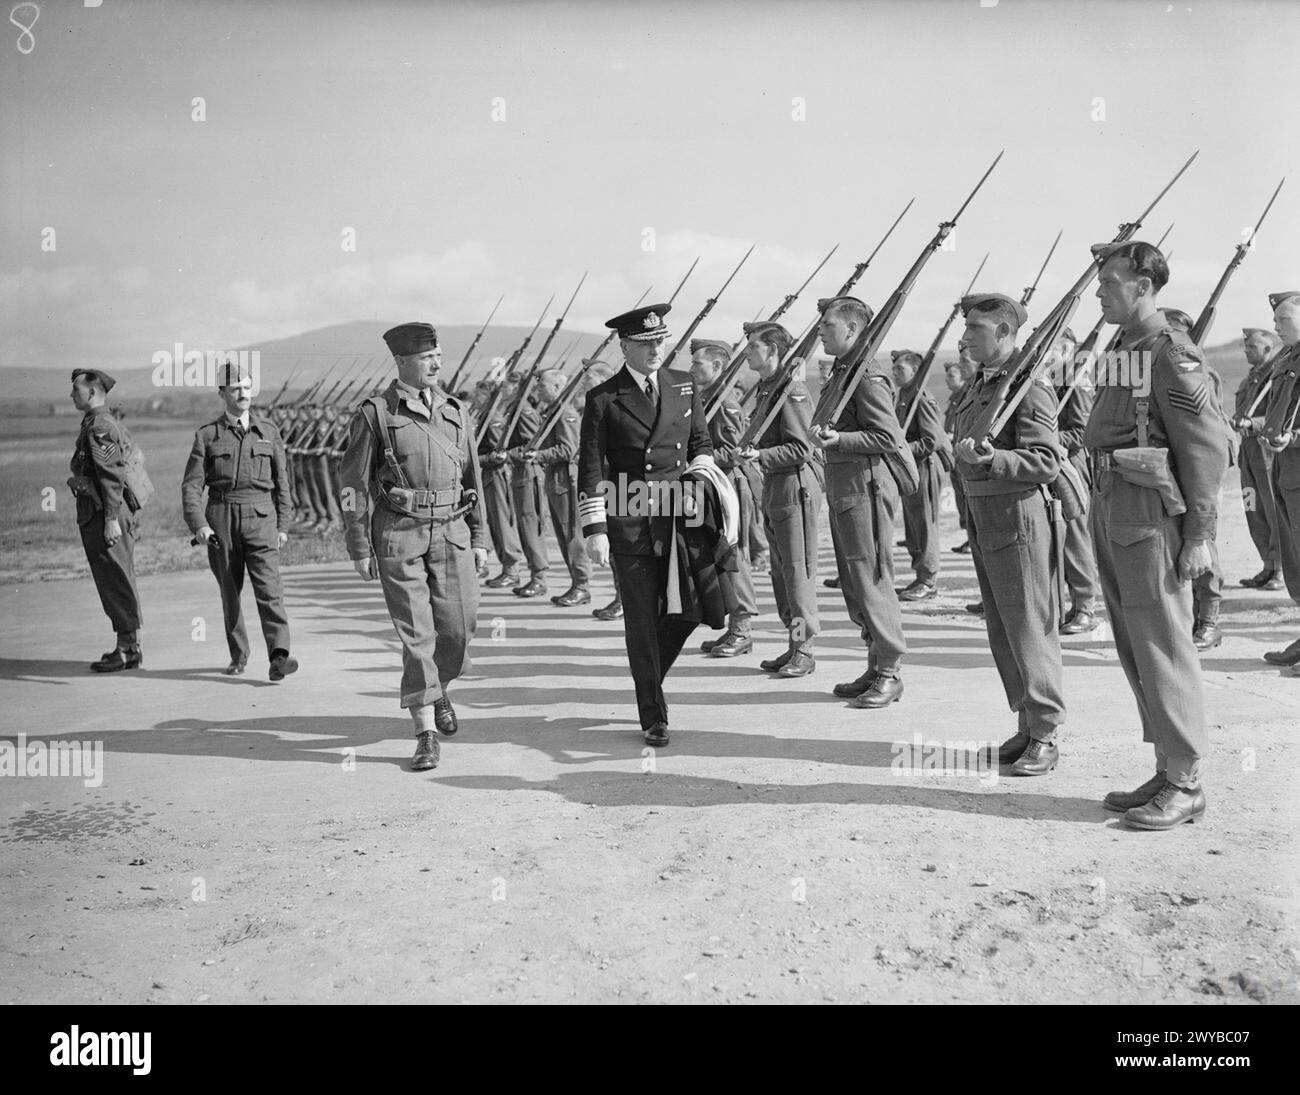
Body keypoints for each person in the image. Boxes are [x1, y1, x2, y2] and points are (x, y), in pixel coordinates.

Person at [1083, 241, 1229, 828]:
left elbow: (1206, 447)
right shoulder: (1124, 346)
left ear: (1144, 285)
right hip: (1114, 505)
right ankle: (1168, 764)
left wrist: (1201, 534)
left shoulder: (1172, 353)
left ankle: (1187, 781)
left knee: (1165, 645)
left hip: (1149, 516)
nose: (1100, 292)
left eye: (1110, 282)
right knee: (1136, 645)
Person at [338, 322, 489, 771]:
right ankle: (424, 731)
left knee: (459, 629)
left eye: (438, 355)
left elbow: (472, 479)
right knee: (417, 634)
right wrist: (358, 545)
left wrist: (479, 536)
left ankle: (440, 688)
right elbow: (352, 485)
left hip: (453, 529)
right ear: (402, 361)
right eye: (427, 357)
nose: (436, 363)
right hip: (399, 533)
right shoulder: (375, 414)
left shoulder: (457, 410)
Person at [578, 303, 712, 747]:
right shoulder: (604, 399)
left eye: (660, 341)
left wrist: (700, 478)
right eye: (645, 343)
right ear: (625, 347)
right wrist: (596, 529)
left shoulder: (683, 385)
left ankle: (651, 675)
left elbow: (700, 443)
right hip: (629, 517)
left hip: (679, 516)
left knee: (689, 610)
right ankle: (653, 713)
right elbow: (591, 468)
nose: (656, 349)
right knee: (640, 620)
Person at [951, 293, 1066, 777]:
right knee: (1003, 628)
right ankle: (1026, 722)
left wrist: (994, 461)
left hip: (1017, 519)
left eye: (976, 329)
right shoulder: (985, 383)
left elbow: (1047, 461)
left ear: (1004, 334)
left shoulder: (1028, 388)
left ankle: (1045, 732)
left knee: (1028, 627)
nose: (965, 337)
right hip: (986, 515)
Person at [810, 296, 909, 709]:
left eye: (828, 326)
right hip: (844, 484)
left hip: (865, 487)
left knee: (871, 578)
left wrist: (841, 440)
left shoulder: (866, 376)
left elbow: (887, 436)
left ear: (851, 330)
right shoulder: (843, 371)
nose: (820, 331)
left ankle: (889, 670)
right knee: (854, 581)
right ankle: (874, 664)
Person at [181, 359, 297, 679]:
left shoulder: (269, 432)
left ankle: (279, 655)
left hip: (261, 517)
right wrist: (200, 525)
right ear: (222, 393)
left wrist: (283, 525)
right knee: (230, 592)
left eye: (247, 386)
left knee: (270, 589)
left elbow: (283, 484)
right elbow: (191, 487)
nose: (243, 393)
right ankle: (239, 654)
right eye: (235, 388)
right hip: (221, 519)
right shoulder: (207, 436)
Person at [737, 321, 821, 675]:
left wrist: (761, 457)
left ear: (772, 351)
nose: (747, 352)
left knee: (797, 573)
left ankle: (804, 648)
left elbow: (802, 447)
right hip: (775, 486)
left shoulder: (792, 391)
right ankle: (793, 643)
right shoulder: (767, 389)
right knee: (780, 574)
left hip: (794, 487)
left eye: (754, 346)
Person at [1164, 307, 1235, 651]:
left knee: (1202, 542)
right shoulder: (1153, 370)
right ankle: (1190, 618)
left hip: (1199, 472)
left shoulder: (1199, 371)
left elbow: (1208, 432)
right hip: (1170, 473)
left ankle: (1209, 620)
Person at [67, 369, 144, 672]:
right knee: (116, 578)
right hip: (103, 512)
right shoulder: (97, 421)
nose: (72, 394)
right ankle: (129, 646)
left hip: (104, 514)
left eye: (76, 389)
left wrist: (111, 519)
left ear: (93, 392)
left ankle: (126, 649)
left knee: (115, 579)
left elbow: (111, 475)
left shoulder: (99, 425)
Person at [691, 338, 758, 656]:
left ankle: (743, 629)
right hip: (710, 487)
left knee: (734, 559)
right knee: (720, 559)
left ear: (717, 367)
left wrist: (700, 459)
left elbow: (736, 452)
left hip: (727, 487)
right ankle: (734, 627)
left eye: (697, 364)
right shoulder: (705, 399)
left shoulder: (726, 402)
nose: (692, 369)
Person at [526, 368, 592, 606]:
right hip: (554, 480)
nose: (537, 389)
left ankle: (582, 584)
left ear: (556, 387)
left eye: (542, 385)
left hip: (565, 481)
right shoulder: (552, 411)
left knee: (572, 535)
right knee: (564, 535)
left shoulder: (565, 413)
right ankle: (576, 583)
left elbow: (568, 449)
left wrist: (538, 455)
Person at [1053, 329, 1102, 634]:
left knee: (1075, 535)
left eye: (1054, 347)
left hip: (1071, 463)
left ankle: (1085, 605)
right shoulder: (1049, 378)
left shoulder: (1076, 381)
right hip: (1048, 462)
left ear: (1069, 348)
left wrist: (1045, 439)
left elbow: (1083, 431)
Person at [1261, 291, 1300, 671]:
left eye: (1282, 321)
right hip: (1286, 470)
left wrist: (1296, 437)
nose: (1276, 327)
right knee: (1296, 558)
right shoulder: (1288, 358)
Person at [891, 348, 948, 601]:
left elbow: (932, 440)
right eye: (893, 369)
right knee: (914, 525)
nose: (895, 373)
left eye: (900, 369)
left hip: (924, 465)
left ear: (915, 371)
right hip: (910, 467)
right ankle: (920, 576)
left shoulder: (921, 398)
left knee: (925, 524)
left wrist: (902, 450)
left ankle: (928, 580)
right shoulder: (904, 395)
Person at [1232, 327, 1284, 590]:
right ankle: (1267, 565)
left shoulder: (1278, 378)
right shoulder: (1251, 379)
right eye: (1245, 347)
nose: (1246, 351)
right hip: (1247, 456)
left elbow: (1282, 416)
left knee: (1273, 512)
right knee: (1253, 509)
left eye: (1251, 347)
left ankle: (1280, 570)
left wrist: (1252, 423)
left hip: (1266, 455)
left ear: (1267, 349)